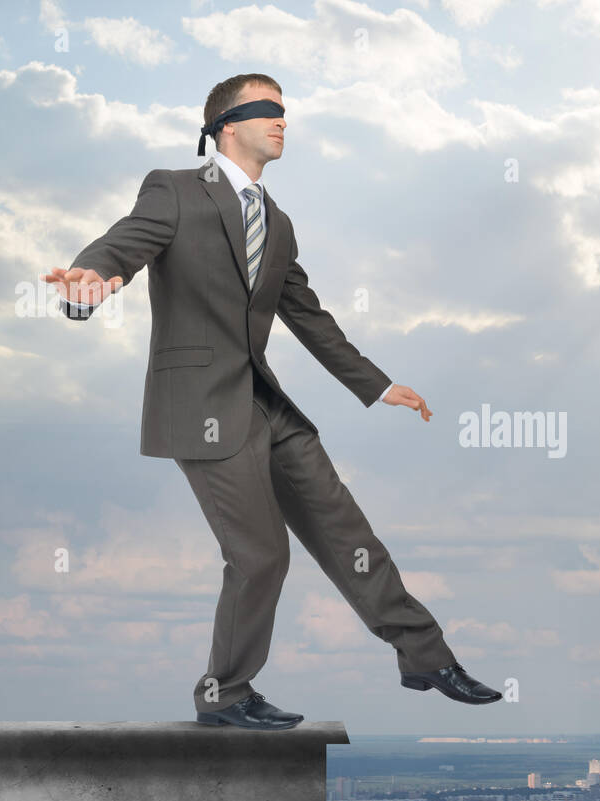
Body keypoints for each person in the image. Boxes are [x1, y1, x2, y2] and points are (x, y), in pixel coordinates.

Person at [40, 73, 501, 730]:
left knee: (349, 536)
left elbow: (308, 315)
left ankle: (425, 657)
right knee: (261, 556)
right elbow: (126, 242)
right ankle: (224, 695)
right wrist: (88, 281)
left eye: (286, 112)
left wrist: (375, 383)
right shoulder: (173, 190)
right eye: (267, 111)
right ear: (227, 123)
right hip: (201, 406)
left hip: (268, 408)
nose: (282, 122)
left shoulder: (277, 222)